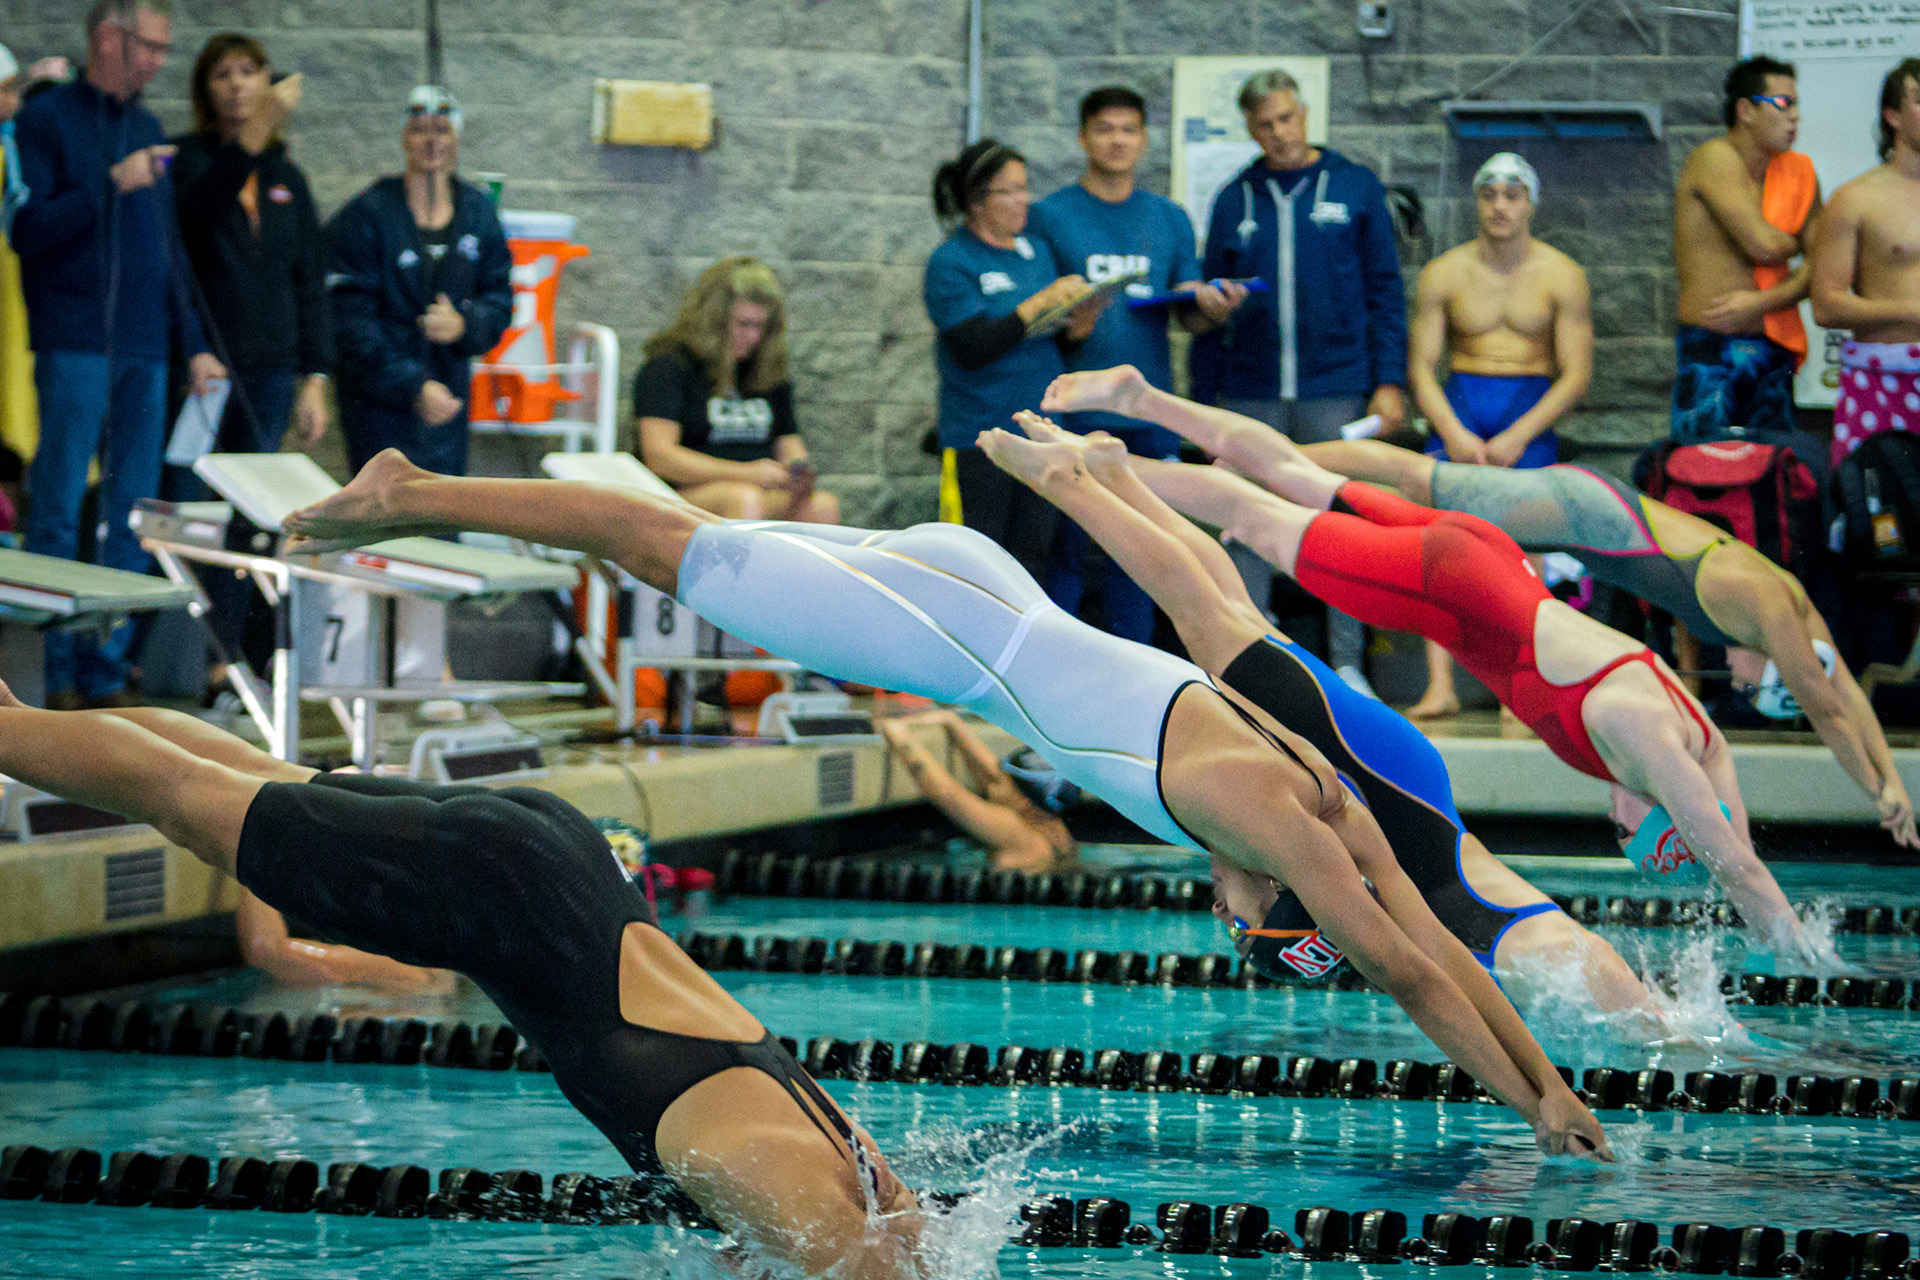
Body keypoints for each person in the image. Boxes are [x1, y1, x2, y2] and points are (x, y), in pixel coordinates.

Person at [283, 451, 1613, 1161]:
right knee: (659, 543)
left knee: (694, 536)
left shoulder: (1321, 804)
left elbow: (1438, 947)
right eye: (1261, 930)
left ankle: (427, 489)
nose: (1233, 925)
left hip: (975, 591)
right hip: (940, 631)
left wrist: (1544, 1087)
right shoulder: (1272, 823)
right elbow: (1411, 973)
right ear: (1274, 896)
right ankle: (412, 490)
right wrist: (1536, 1103)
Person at [0, 687, 923, 1278]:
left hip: (556, 860)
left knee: (232, 779)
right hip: (503, 894)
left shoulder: (868, 1189)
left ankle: (16, 716)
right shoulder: (828, 1231)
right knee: (187, 798)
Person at [1041, 366, 1821, 966]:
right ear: (1655, 806)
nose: (1617, 834)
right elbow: (1741, 872)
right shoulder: (1642, 736)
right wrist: (1803, 958)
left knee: (1290, 477)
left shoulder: (1690, 731)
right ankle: (1101, 473)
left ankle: (1141, 399)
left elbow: (1734, 842)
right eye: (1634, 836)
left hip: (1482, 562)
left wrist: (1741, 879)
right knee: (1255, 515)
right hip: (1450, 587)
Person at [991, 412, 1666, 1024]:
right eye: (1240, 922)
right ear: (1287, 897)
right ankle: (1073, 484)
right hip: (1368, 766)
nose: (1220, 910)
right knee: (1208, 617)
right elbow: (1577, 956)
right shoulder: (1482, 931)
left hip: (1388, 774)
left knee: (1229, 613)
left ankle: (1111, 479)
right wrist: (1665, 1028)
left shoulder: (1357, 884)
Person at [1298, 436, 1920, 850]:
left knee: (1424, 495)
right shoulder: (1771, 612)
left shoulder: (1792, 614)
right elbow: (1828, 709)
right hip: (1582, 515)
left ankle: (1292, 470)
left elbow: (1839, 688)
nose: (1734, 677)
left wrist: (1891, 785)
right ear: (1782, 670)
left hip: (1582, 524)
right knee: (1422, 478)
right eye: (1750, 684)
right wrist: (1873, 788)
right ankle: (1290, 457)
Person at [12, 0, 225, 709]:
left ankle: (104, 672)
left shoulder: (146, 125)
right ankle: (52, 674)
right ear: (109, 37)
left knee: (136, 511)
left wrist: (195, 346)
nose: (160, 63)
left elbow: (167, 254)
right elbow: (30, 231)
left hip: (146, 346)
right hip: (75, 337)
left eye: (166, 50)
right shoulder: (45, 120)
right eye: (150, 47)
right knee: (60, 501)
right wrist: (109, 186)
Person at [1189, 69, 1408, 695]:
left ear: (1304, 114)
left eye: (1286, 119)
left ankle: (1348, 666)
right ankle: (1251, 659)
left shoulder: (1355, 186)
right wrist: (1207, 406)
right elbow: (1205, 310)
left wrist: (1388, 381)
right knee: (1244, 522)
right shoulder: (1236, 198)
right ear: (1251, 129)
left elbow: (1386, 292)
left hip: (1335, 385)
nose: (1278, 133)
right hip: (1250, 391)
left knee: (1341, 524)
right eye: (1264, 125)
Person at [1024, 85, 1247, 642]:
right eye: (1104, 128)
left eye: (1128, 129)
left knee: (1147, 558)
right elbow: (1032, 317)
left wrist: (1208, 309)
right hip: (1068, 408)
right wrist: (1072, 320)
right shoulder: (1051, 216)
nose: (1117, 140)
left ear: (1145, 140)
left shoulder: (1168, 218)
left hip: (1145, 414)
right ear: (1083, 137)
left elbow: (1186, 318)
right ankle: (1059, 682)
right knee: (1066, 556)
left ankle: (1143, 687)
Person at [171, 33, 333, 689]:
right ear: (204, 89)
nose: (238, 86)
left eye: (250, 73)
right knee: (188, 505)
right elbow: (194, 217)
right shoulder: (188, 162)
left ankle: (227, 658)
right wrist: (250, 140)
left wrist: (313, 379)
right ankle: (166, 652)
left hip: (268, 368)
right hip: (202, 367)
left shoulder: (287, 178)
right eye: (224, 75)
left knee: (251, 515)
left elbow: (309, 283)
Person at [1406, 152, 1592, 718]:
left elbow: (1577, 374)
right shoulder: (1446, 272)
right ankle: (1441, 687)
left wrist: (1520, 434)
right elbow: (1420, 368)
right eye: (1489, 195)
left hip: (1527, 413)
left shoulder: (1562, 274)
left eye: (1512, 195)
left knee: (1524, 555)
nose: (1500, 206)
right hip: (1462, 406)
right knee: (1442, 548)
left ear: (1530, 203)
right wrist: (1451, 430)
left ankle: (1518, 688)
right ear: (1477, 202)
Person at [923, 137, 1104, 584]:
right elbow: (973, 348)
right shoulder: (952, 261)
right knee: (976, 565)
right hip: (980, 437)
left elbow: (1044, 344)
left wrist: (1078, 328)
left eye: (1025, 188)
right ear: (977, 200)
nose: (1023, 200)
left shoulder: (1036, 253)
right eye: (1009, 190)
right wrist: (1036, 305)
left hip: (1040, 431)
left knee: (1033, 562)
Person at [327, 85, 511, 477]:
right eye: (420, 130)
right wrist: (412, 386)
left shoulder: (478, 213)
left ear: (457, 139)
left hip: (449, 398)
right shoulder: (367, 216)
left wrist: (466, 324)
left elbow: (499, 297)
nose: (432, 141)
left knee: (441, 516)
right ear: (404, 138)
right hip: (378, 401)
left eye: (442, 130)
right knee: (383, 516)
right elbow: (350, 322)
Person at [1671, 57, 1820, 444]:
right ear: (1746, 110)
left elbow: (1821, 268)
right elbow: (1764, 246)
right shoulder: (1714, 158)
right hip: (1710, 347)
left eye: (1797, 104)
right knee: (1701, 470)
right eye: (1784, 104)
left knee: (1770, 474)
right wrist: (1800, 240)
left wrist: (1761, 303)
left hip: (1772, 347)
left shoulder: (1799, 173)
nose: (1796, 117)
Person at [633, 256, 837, 523]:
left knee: (822, 505)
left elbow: (789, 442)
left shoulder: (766, 369)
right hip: (684, 493)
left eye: (760, 326)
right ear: (714, 320)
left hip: (755, 489)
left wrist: (797, 470)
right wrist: (744, 473)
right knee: (743, 499)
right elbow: (660, 456)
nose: (753, 337)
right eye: (743, 324)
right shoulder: (670, 366)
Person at [1811, 58, 1920, 467]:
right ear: (1892, 116)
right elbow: (1826, 304)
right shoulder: (1855, 198)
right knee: (1880, 518)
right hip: (1884, 382)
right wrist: (1911, 311)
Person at [880, 709, 1075, 873]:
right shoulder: (1049, 823)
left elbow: (946, 793)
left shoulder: (1014, 829)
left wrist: (899, 736)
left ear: (1026, 799)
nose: (1000, 777)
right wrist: (952, 721)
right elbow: (991, 775)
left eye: (1008, 778)